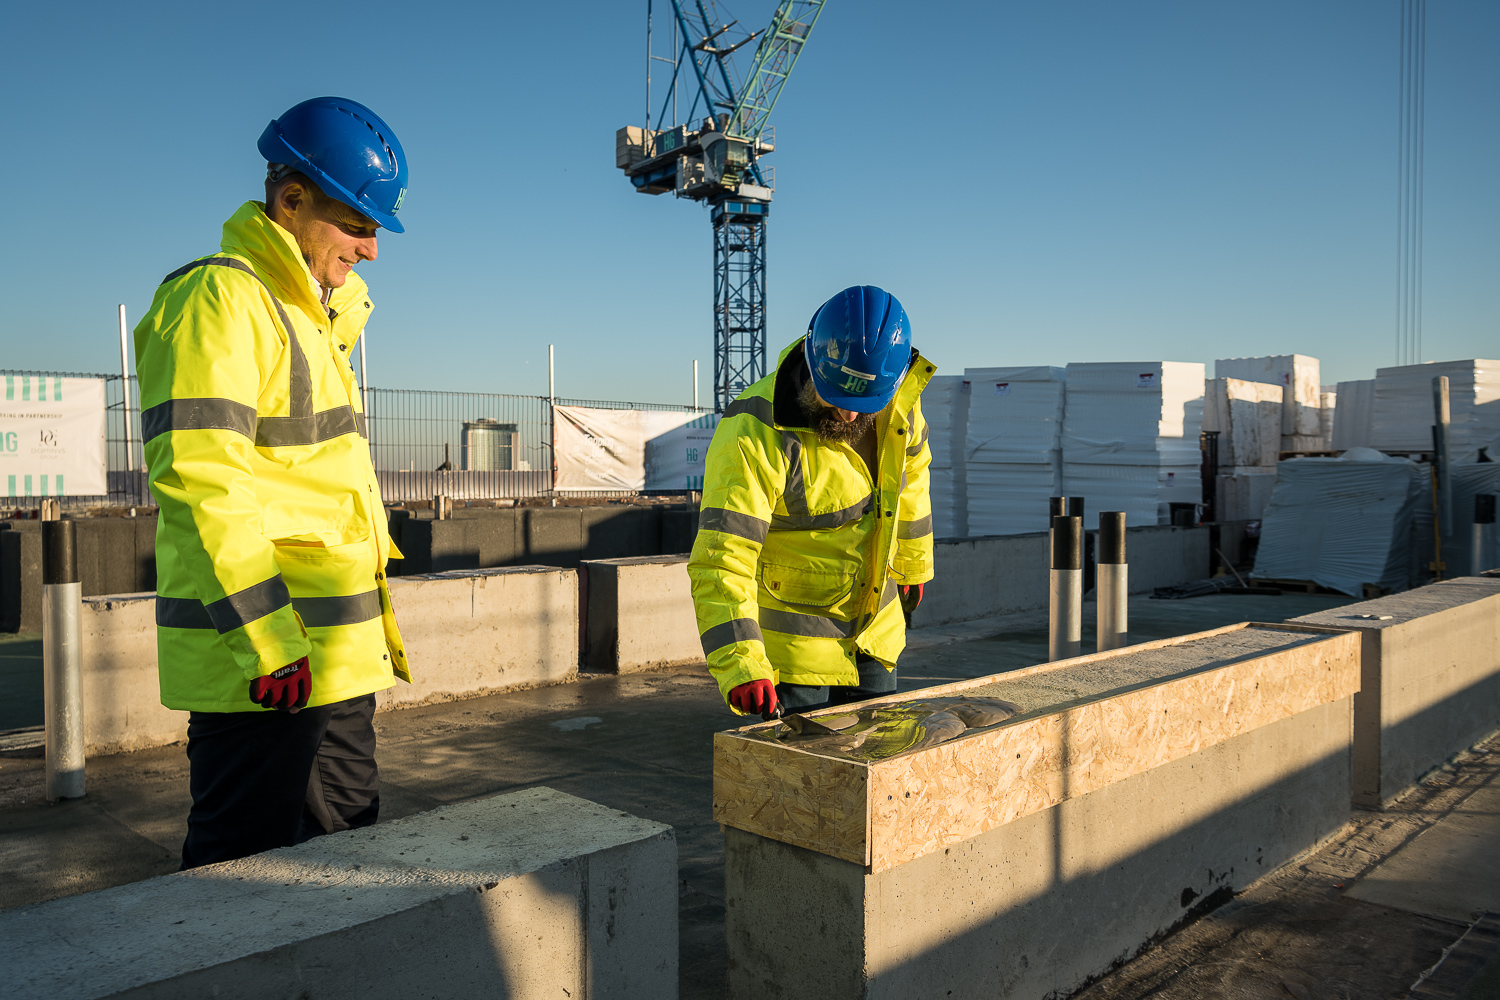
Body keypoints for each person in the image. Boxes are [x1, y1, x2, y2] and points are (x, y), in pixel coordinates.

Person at [134, 97, 412, 868]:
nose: (372, 248)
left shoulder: (315, 321)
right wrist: (266, 642)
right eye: (358, 224)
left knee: (350, 861)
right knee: (240, 871)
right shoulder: (219, 300)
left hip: (335, 660)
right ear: (291, 200)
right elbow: (202, 482)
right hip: (266, 667)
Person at [688, 285, 935, 717]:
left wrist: (914, 566)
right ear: (813, 361)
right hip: (794, 660)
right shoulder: (754, 430)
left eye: (865, 403)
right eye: (838, 398)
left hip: (876, 636)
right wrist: (741, 663)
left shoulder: (901, 410)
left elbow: (912, 485)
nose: (850, 417)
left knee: (875, 774)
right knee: (804, 780)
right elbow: (723, 556)